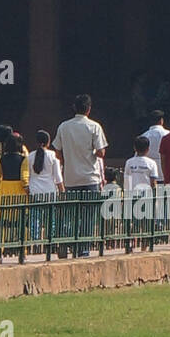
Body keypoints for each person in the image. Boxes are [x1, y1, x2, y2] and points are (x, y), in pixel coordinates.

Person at [52, 94, 107, 256]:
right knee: (88, 214)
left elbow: (57, 151)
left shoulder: (64, 126)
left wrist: (69, 160)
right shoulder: (94, 127)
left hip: (71, 177)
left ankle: (65, 244)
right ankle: (83, 248)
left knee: (70, 213)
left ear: (74, 108)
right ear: (89, 109)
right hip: (90, 177)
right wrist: (92, 153)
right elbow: (101, 152)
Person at [26, 129, 64, 246]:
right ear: (48, 142)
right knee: (50, 220)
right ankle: (50, 242)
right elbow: (58, 178)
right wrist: (62, 191)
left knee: (35, 219)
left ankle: (35, 243)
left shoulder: (30, 156)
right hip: (50, 192)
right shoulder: (53, 156)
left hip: (34, 191)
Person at [141, 109, 167, 178]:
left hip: (149, 175)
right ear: (161, 121)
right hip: (166, 173)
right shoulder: (168, 135)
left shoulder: (144, 136)